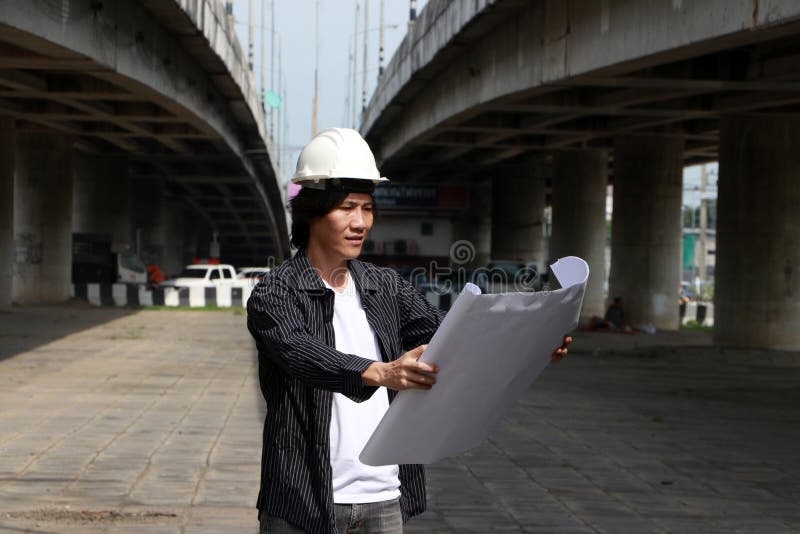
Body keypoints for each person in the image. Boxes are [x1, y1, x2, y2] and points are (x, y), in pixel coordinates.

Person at [246, 128, 571, 533]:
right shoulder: (275, 290)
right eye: (347, 208)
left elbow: (450, 336)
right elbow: (298, 352)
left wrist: (530, 344)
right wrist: (380, 372)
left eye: (367, 209)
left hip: (384, 495)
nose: (360, 222)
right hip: (302, 498)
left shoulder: (386, 286)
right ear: (312, 211)